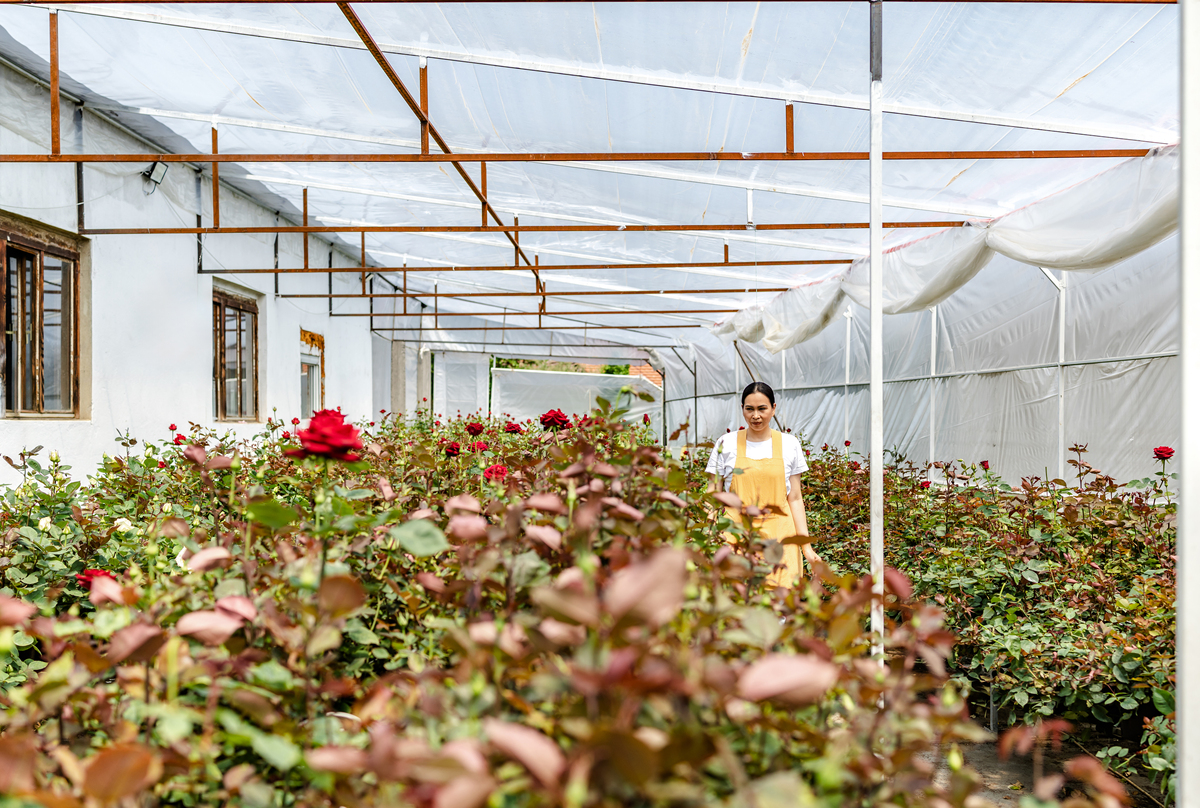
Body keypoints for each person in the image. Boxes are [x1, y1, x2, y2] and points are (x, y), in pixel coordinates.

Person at [706, 381, 820, 587]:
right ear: (742, 409)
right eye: (749, 409)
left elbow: (794, 498)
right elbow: (713, 494)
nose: (755, 416)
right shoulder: (726, 443)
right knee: (737, 601)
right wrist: (708, 539)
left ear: (773, 408)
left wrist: (807, 548)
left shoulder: (789, 444)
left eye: (762, 409)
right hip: (736, 533)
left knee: (780, 602)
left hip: (780, 535)